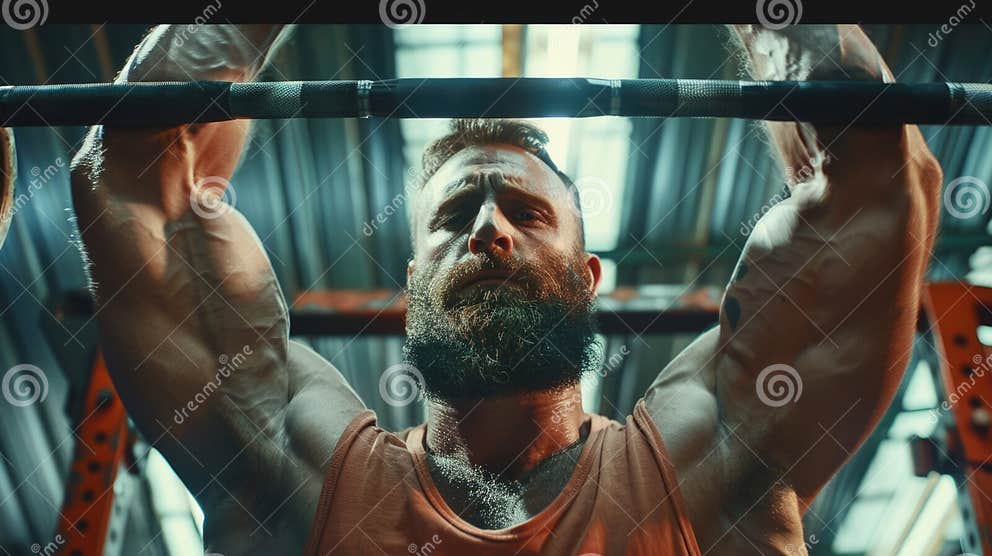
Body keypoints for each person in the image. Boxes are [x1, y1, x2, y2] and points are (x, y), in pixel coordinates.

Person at [69, 23, 942, 555]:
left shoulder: (704, 459)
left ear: (589, 278)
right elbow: (135, 179)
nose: (488, 227)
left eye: (527, 210)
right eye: (455, 216)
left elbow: (870, 165)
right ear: (413, 283)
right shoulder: (293, 467)